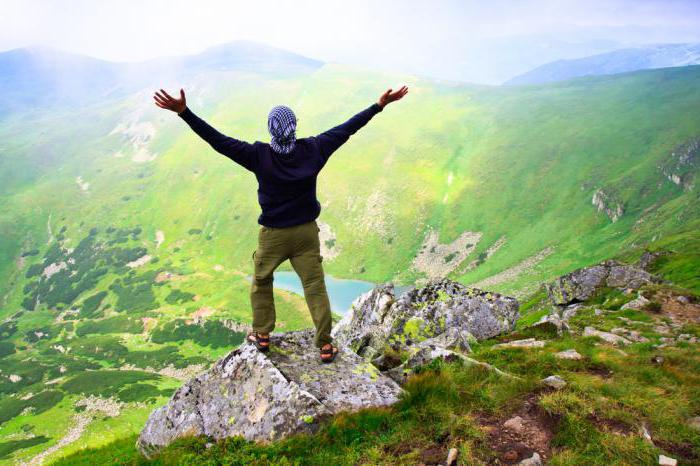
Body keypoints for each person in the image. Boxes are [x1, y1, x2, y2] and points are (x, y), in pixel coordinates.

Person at [153, 85, 408, 362]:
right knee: (314, 284)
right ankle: (324, 344)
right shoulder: (314, 149)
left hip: (273, 235)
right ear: (294, 127)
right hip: (306, 233)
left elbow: (218, 141)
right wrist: (378, 105)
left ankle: (262, 334)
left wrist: (184, 113)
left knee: (262, 280)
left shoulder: (258, 155)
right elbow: (347, 128)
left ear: (270, 129)